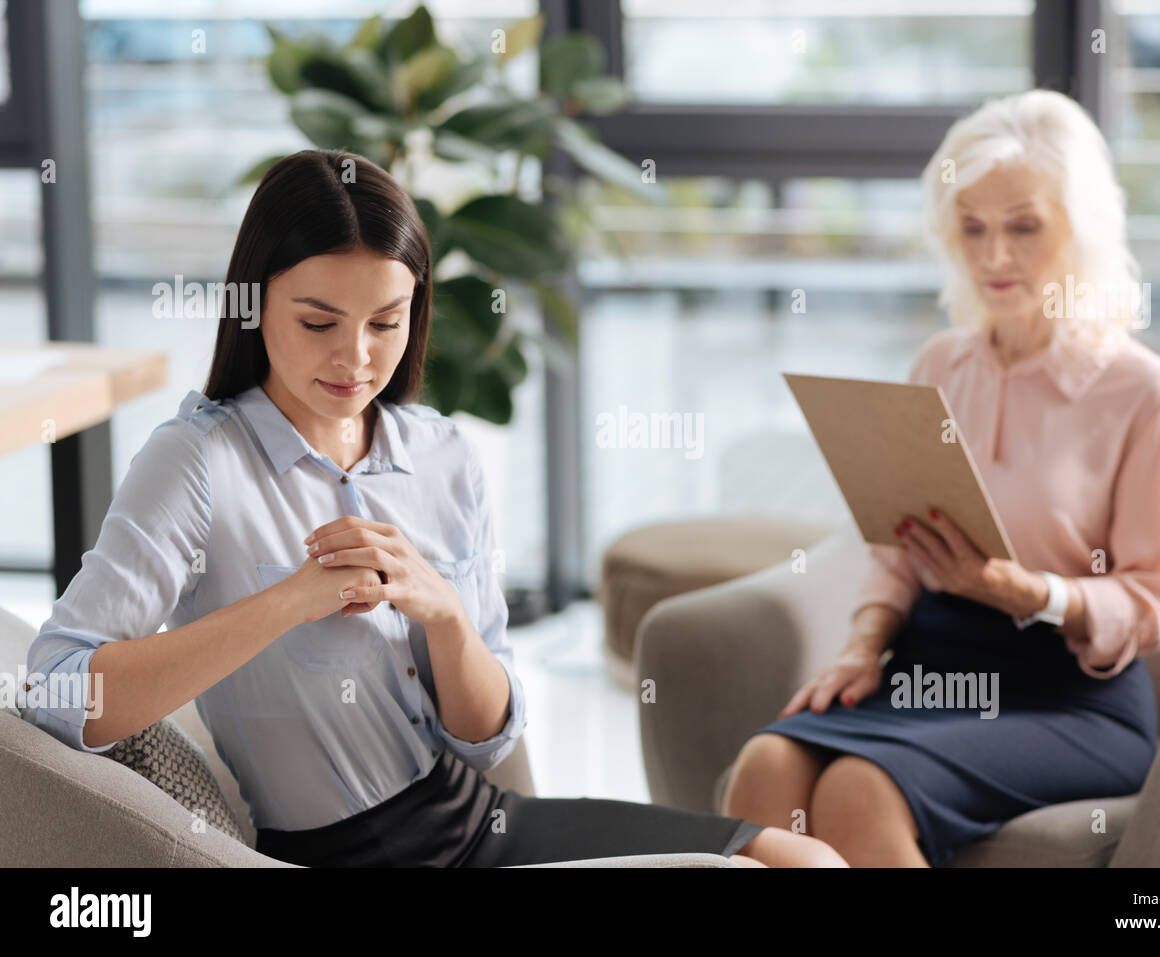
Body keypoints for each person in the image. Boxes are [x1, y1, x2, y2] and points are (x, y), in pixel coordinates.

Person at [23, 148, 845, 869]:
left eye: (387, 321)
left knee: (804, 855)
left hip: (480, 821)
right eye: (319, 321)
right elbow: (56, 691)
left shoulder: (442, 453)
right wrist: (290, 600)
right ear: (254, 304)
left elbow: (488, 738)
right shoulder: (200, 460)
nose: (356, 357)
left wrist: (445, 616)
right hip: (339, 852)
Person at [722, 89, 1160, 867]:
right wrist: (864, 642)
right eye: (971, 228)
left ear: (1082, 231)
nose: (994, 257)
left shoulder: (1144, 391)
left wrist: (1028, 593)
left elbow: (1154, 598)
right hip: (931, 665)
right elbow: (898, 545)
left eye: (1023, 227)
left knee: (859, 789)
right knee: (765, 766)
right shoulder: (940, 364)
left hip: (1066, 691)